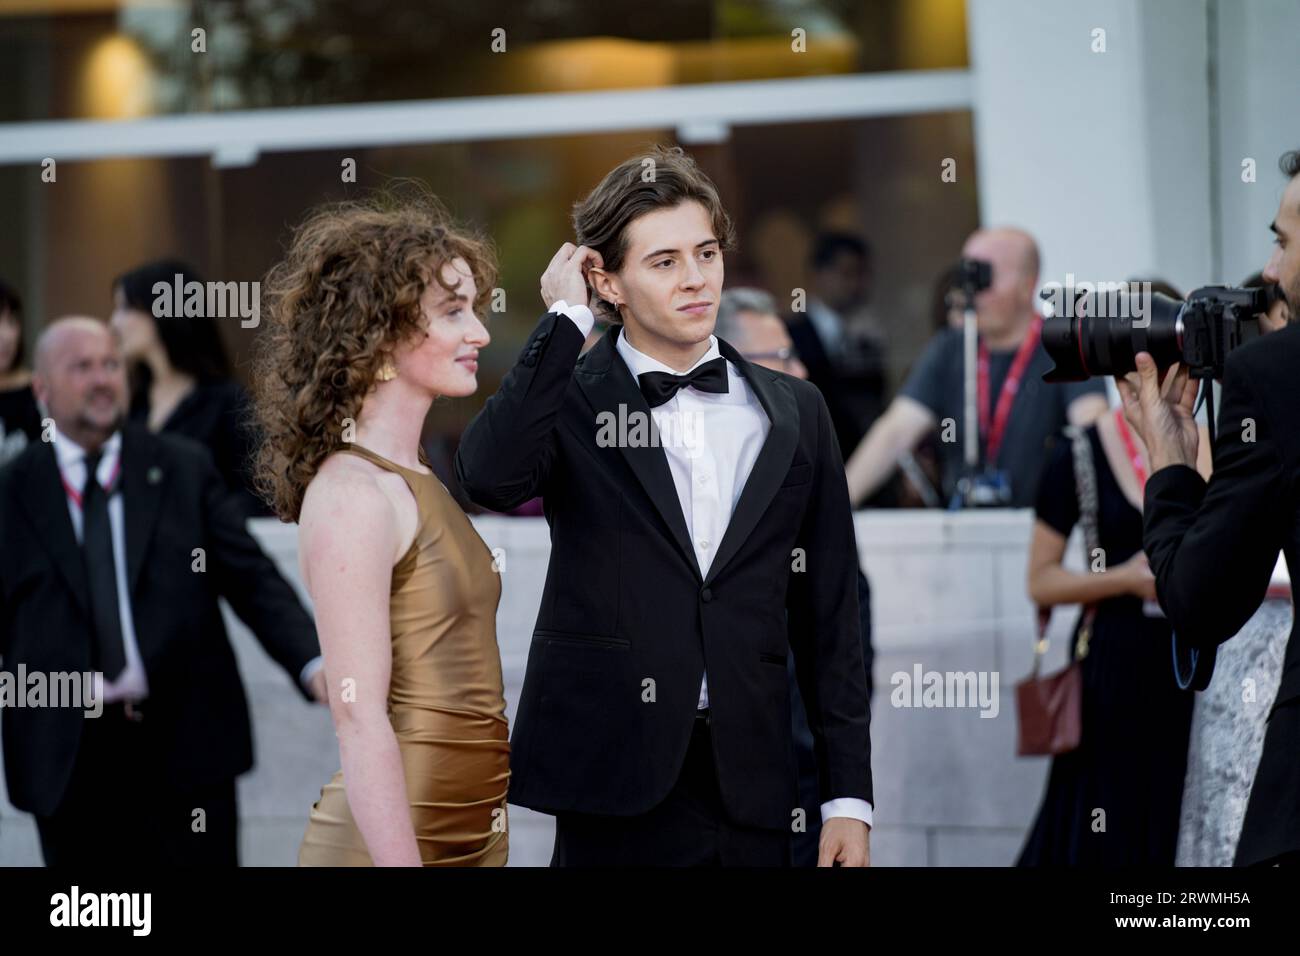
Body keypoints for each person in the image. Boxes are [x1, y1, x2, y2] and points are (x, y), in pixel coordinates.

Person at [456, 145, 873, 867]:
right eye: (664, 262)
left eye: (705, 253)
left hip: (757, 782)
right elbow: (487, 478)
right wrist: (561, 321)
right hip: (613, 778)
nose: (695, 280)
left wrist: (847, 799)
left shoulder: (798, 411)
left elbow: (830, 616)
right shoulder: (572, 396)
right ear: (606, 281)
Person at [0, 317, 324, 866]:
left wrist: (314, 664)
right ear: (41, 389)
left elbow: (251, 578)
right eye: (82, 367)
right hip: (67, 756)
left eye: (110, 364)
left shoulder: (179, 468)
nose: (103, 379)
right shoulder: (13, 491)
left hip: (185, 748)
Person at [249, 192, 511, 867]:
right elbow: (358, 716)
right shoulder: (351, 493)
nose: (479, 332)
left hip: (469, 832)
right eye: (454, 312)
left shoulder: (416, 474)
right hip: (390, 847)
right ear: (380, 332)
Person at [1122, 149, 1300, 867]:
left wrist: (1169, 460)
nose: (1270, 272)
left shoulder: (1277, 372)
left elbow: (1201, 599)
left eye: (1284, 241)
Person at [716, 286, 875, 867]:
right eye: (782, 357)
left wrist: (841, 788)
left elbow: (842, 613)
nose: (801, 370)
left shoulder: (802, 449)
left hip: (797, 772)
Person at [1018, 399, 1210, 865]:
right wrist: (1122, 578)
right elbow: (1039, 580)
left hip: (1200, 664)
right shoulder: (1078, 452)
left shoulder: (1217, 439)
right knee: (1110, 824)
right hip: (1115, 667)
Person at [845, 228, 1109, 508]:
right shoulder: (950, 348)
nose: (970, 293)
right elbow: (896, 431)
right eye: (965, 277)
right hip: (969, 532)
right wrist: (836, 506)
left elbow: (1091, 430)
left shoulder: (1066, 344)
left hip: (1047, 537)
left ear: (1026, 285)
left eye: (983, 278)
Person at [1176, 270, 1292, 866]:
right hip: (1242, 650)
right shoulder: (1233, 415)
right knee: (1223, 814)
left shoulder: (1275, 382)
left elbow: (1200, 579)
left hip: (1280, 654)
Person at [110, 259, 270, 518]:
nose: (114, 323)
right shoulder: (130, 404)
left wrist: (200, 521)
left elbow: (257, 495)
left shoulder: (228, 403)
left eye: (126, 308)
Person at [784, 232, 887, 458]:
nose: (856, 284)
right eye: (847, 273)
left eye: (862, 274)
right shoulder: (790, 335)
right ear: (818, 274)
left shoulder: (867, 338)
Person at [0, 279, 42, 467]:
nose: (7, 335)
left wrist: (48, 411)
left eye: (12, 321)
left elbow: (52, 444)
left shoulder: (38, 390)